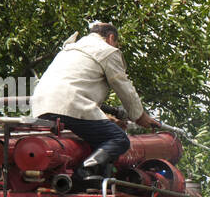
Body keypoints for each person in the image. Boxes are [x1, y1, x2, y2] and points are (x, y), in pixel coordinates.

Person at [30, 21, 158, 176]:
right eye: (117, 43)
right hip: (70, 106)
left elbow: (79, 87)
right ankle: (83, 175)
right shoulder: (107, 51)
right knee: (119, 139)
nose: (117, 47)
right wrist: (140, 116)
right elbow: (125, 88)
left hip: (41, 106)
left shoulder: (70, 49)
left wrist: (106, 119)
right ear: (111, 38)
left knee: (95, 138)